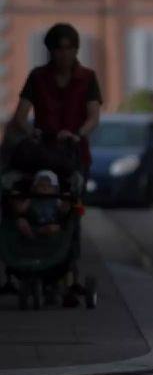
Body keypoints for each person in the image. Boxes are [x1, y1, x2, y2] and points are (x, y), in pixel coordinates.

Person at [9, 23, 101, 178]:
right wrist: (31, 132)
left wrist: (77, 135)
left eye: (69, 48)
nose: (64, 54)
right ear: (50, 51)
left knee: (73, 196)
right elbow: (20, 115)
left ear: (76, 50)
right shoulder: (37, 77)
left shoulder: (87, 77)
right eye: (59, 49)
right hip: (42, 152)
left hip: (75, 153)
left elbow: (93, 117)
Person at [13, 170, 70, 239]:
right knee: (20, 221)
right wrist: (16, 198)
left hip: (49, 224)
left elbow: (63, 210)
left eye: (49, 186)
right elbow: (21, 210)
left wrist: (66, 200)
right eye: (41, 185)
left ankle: (37, 232)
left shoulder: (55, 199)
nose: (45, 188)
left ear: (55, 189)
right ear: (35, 187)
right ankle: (30, 234)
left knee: (54, 228)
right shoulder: (31, 199)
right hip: (32, 224)